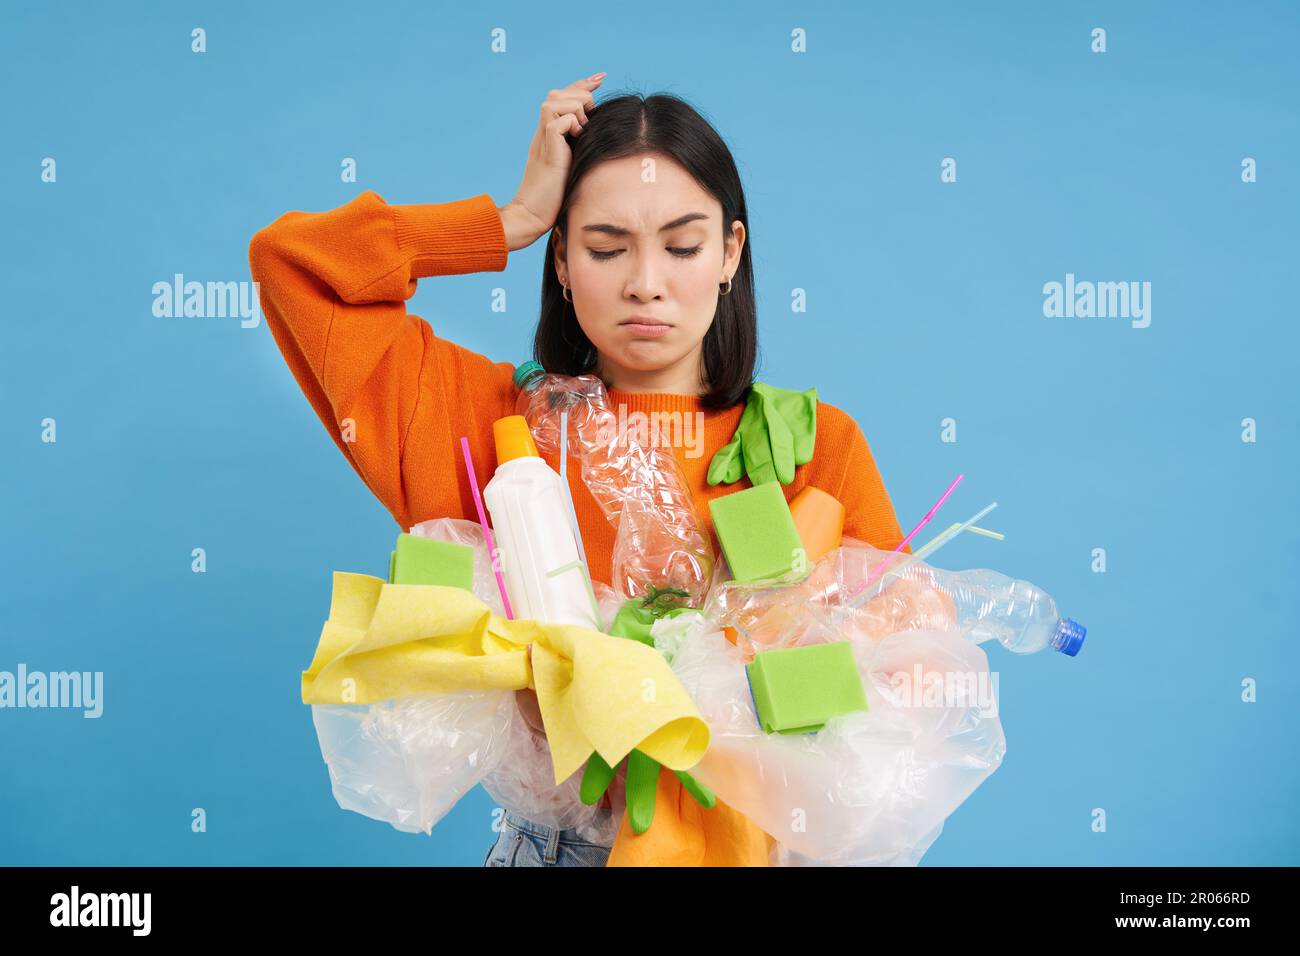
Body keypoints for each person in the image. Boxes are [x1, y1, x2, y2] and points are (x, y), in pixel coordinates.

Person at [248, 73, 909, 866]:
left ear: (731, 252)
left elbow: (896, 687)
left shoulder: (814, 448)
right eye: (604, 246)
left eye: (683, 245)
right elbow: (292, 263)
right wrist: (512, 218)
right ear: (562, 258)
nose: (645, 282)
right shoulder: (486, 427)